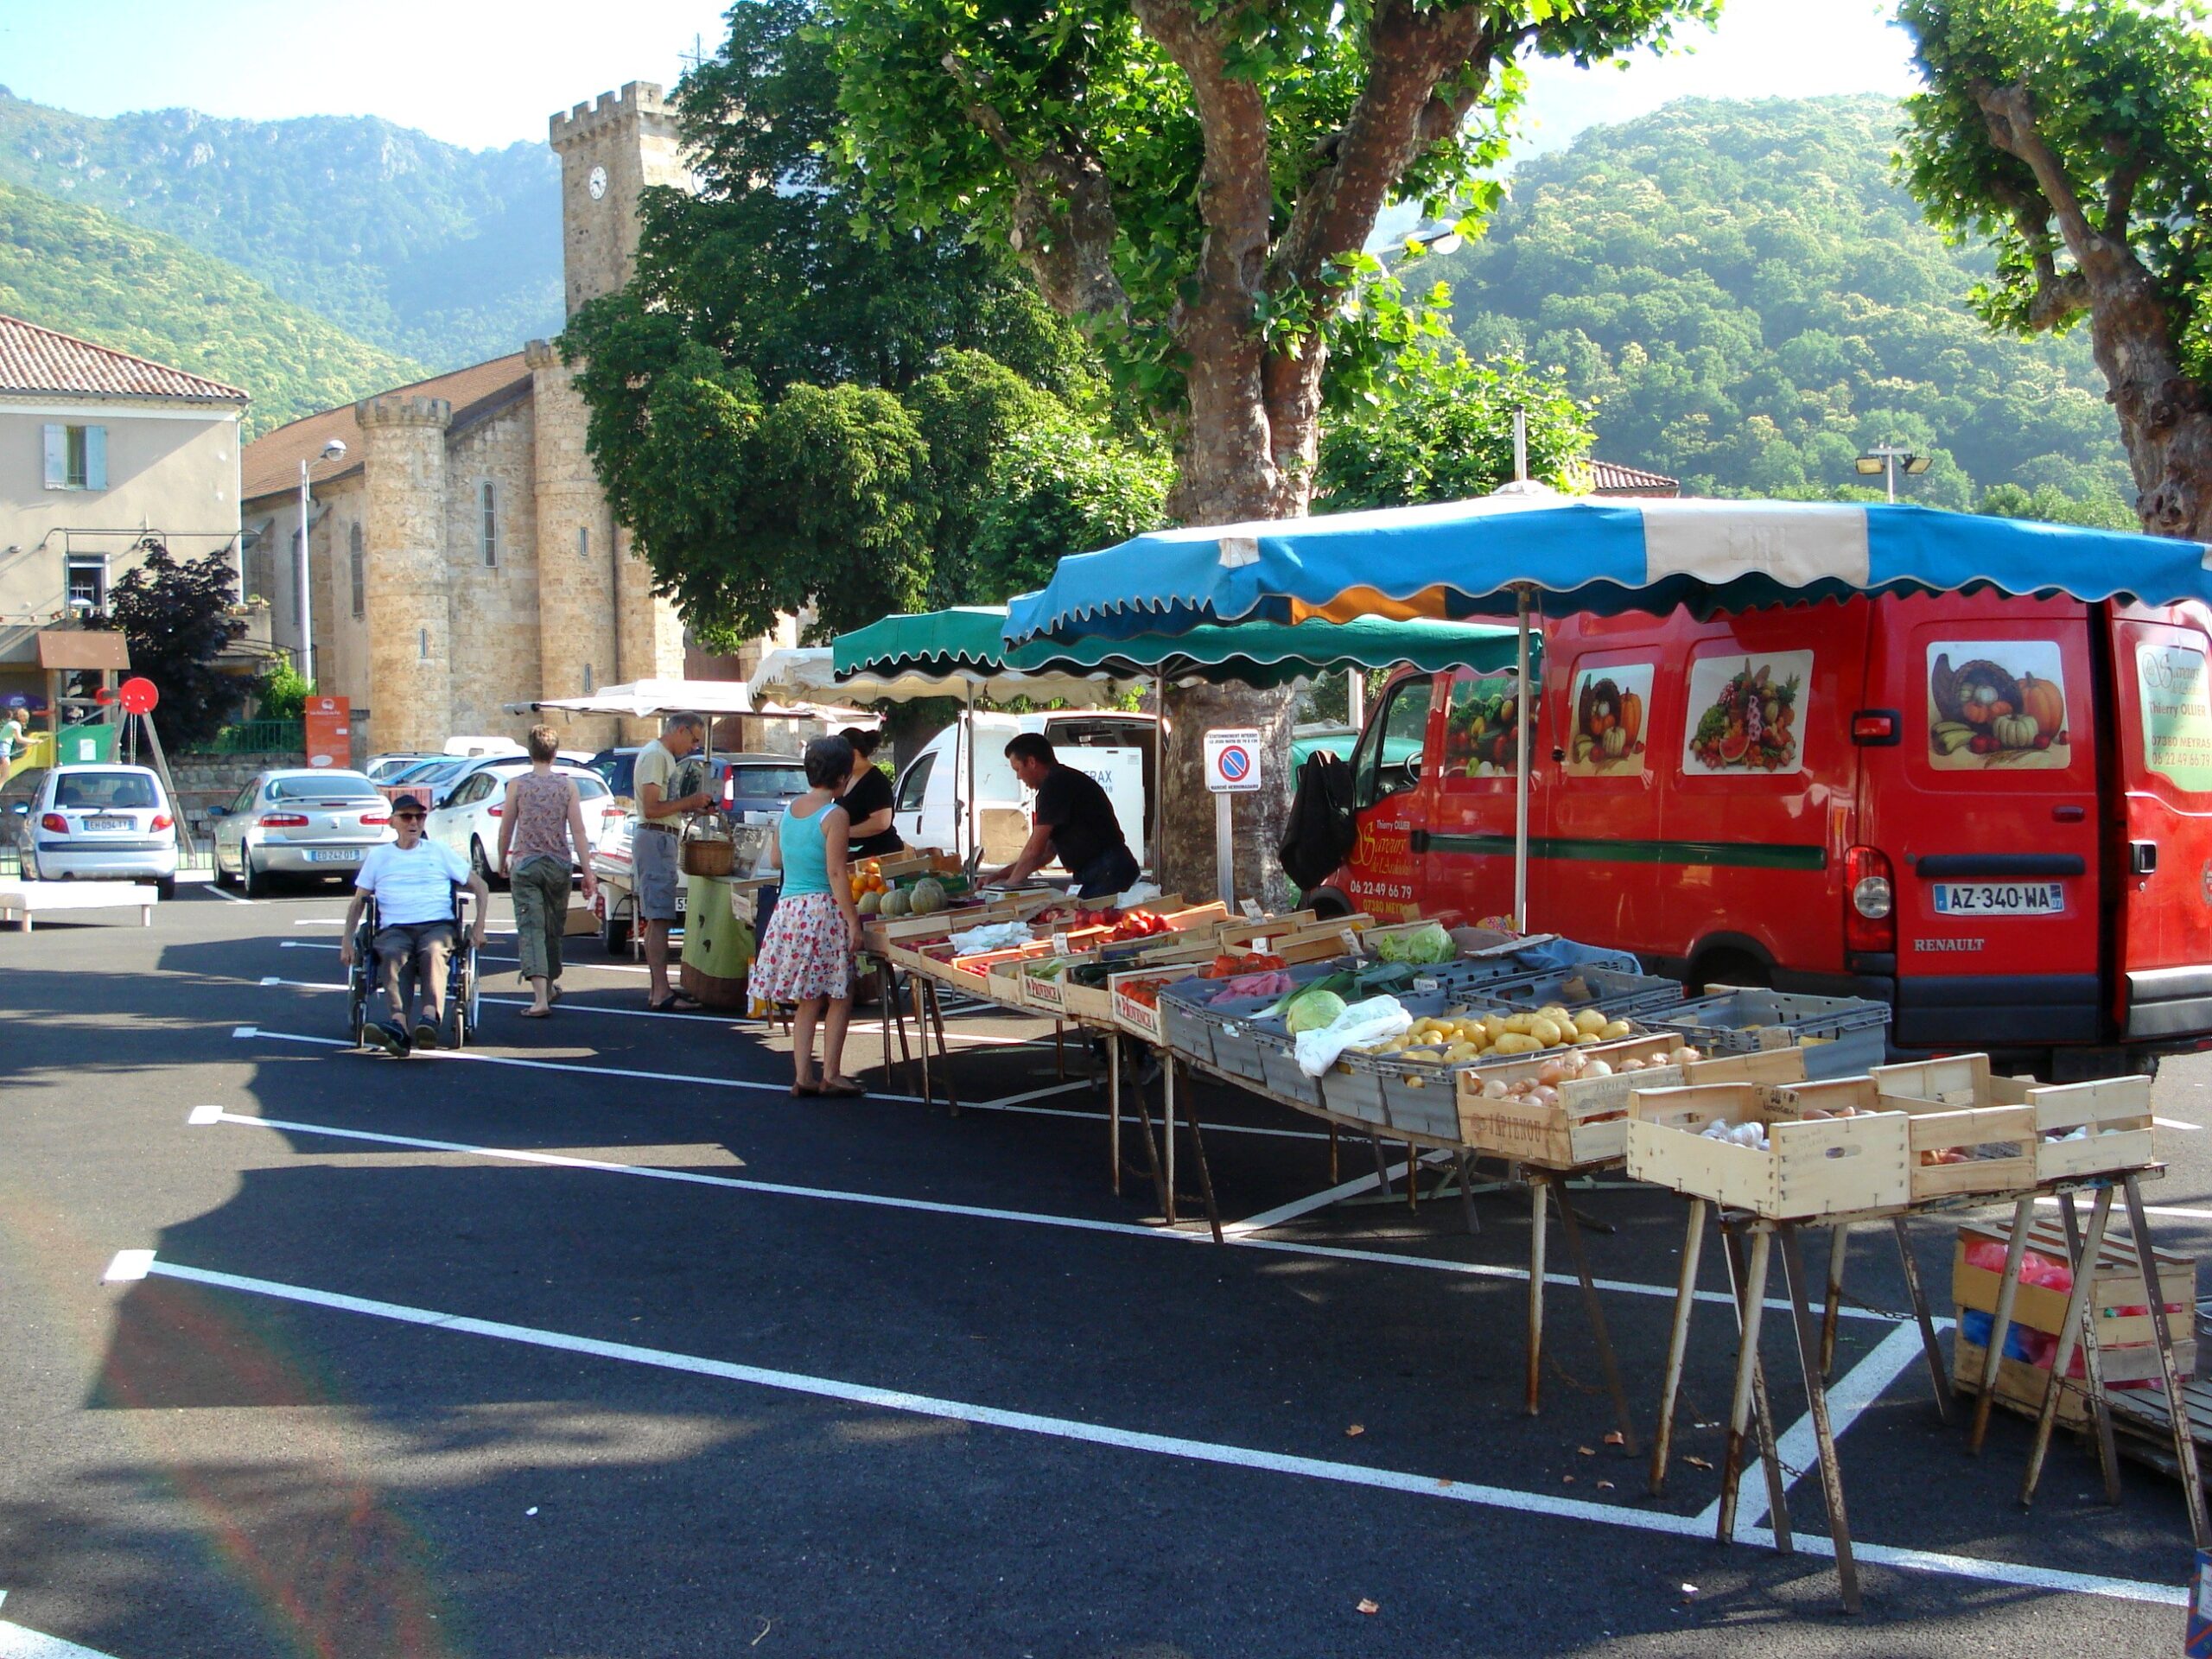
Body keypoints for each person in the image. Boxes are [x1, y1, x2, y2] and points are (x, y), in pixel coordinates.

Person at [749, 735, 866, 1096]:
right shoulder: (835, 815)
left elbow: (775, 860)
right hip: (822, 910)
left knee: (808, 998)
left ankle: (803, 1075)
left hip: (789, 909)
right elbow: (836, 873)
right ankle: (830, 1072)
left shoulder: (789, 810)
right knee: (838, 994)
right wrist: (852, 920)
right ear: (843, 776)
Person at [340, 797, 490, 1056]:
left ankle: (429, 1019)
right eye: (406, 817)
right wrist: (346, 941)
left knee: (434, 951)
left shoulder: (439, 851)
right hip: (395, 928)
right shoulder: (379, 857)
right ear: (392, 822)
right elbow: (358, 903)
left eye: (419, 817)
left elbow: (481, 886)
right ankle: (398, 1025)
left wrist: (479, 926)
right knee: (392, 954)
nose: (414, 822)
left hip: (437, 926)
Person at [497, 725, 601, 1018]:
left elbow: (507, 826)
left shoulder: (517, 785)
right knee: (554, 928)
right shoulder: (567, 786)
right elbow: (578, 830)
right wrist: (589, 872)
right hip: (558, 864)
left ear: (530, 752)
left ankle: (540, 997)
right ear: (555, 754)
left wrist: (504, 856)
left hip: (526, 863)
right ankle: (551, 984)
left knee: (531, 928)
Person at [985, 732, 1140, 898]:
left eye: (1018, 769)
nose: (1018, 776)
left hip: (1106, 869)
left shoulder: (1055, 784)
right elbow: (1046, 852)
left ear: (1031, 762)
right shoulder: (1061, 780)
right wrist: (1000, 876)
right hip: (1101, 869)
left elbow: (1034, 850)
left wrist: (1008, 888)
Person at [634, 711, 713, 1012]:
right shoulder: (657, 756)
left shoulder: (660, 755)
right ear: (680, 731)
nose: (694, 746)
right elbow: (653, 808)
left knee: (659, 917)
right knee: (660, 916)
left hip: (659, 836)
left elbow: (661, 808)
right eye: (693, 739)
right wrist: (691, 802)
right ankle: (661, 991)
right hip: (656, 837)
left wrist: (690, 809)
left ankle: (660, 989)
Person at [836, 726, 904, 860]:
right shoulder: (848, 778)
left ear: (853, 753)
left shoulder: (876, 781)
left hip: (880, 854)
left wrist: (843, 832)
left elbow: (881, 822)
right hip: (857, 856)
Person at [0, 709, 21, 787]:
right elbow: (19, 739)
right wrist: (34, 741)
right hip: (3, 752)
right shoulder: (12, 725)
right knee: (4, 776)